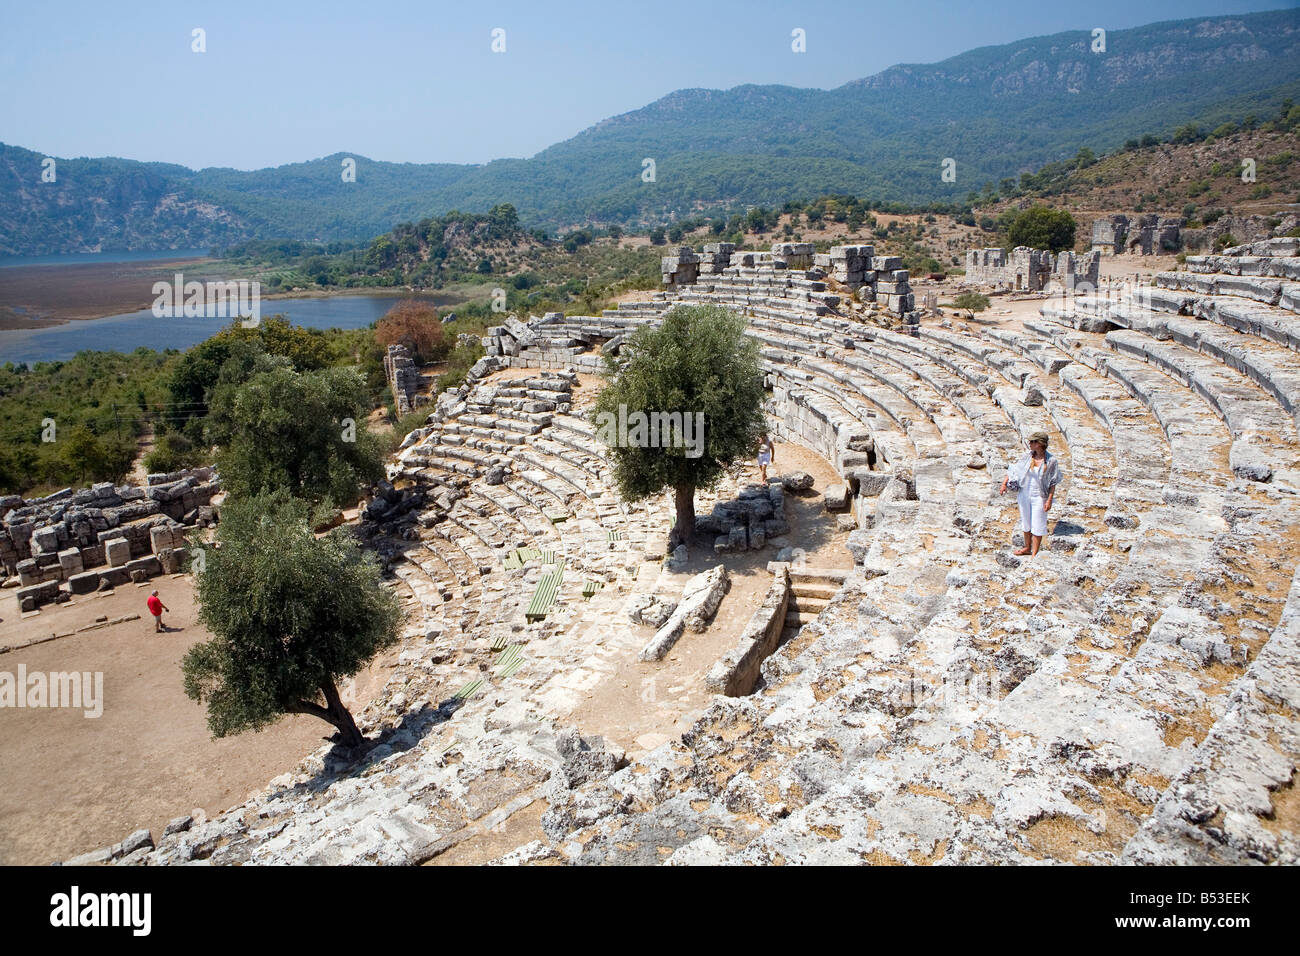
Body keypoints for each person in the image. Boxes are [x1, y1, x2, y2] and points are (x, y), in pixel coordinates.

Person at [999, 430, 1062, 557]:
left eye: (1033, 442)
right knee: (1026, 521)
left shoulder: (1051, 461)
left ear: (1039, 444)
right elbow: (1015, 470)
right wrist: (1004, 483)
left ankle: (1034, 553)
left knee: (1038, 522)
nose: (1030, 444)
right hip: (1024, 493)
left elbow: (1053, 482)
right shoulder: (1028, 456)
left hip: (1040, 495)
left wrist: (1049, 500)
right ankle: (1027, 547)